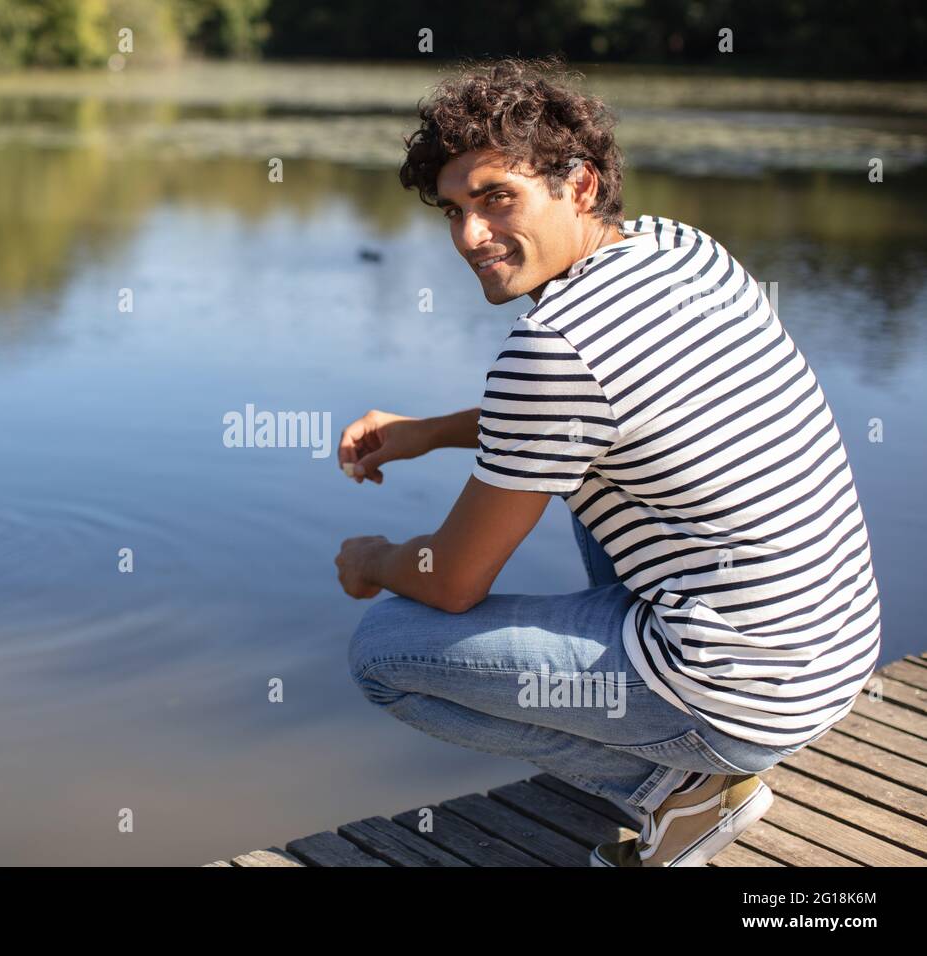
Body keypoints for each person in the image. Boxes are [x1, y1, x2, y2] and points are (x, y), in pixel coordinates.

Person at [335, 57, 882, 867]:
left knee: (384, 653)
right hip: (834, 648)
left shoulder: (554, 348)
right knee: (571, 474)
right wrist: (428, 430)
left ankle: (675, 792)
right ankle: (691, 758)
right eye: (454, 210)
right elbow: (594, 413)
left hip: (744, 692)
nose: (470, 236)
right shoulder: (679, 247)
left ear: (579, 185)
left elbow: (453, 581)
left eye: (496, 199)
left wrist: (374, 559)